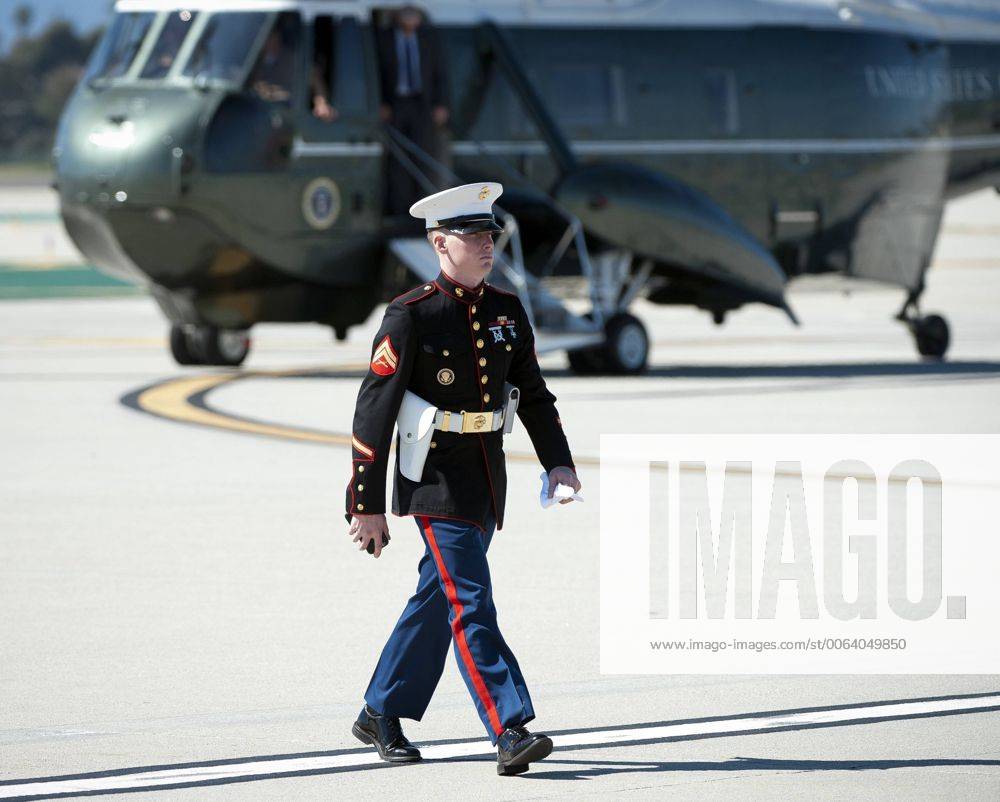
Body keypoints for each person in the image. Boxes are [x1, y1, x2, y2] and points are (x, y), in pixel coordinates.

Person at [344, 182, 581, 775]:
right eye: (473, 237)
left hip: (485, 478)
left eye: (490, 235)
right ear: (439, 242)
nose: (486, 246)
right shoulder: (411, 315)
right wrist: (365, 503)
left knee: (438, 598)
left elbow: (533, 395)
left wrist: (559, 461)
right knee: (471, 602)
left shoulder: (506, 309)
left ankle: (380, 710)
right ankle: (508, 726)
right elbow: (372, 411)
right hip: (434, 478)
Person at [376, 5, 450, 214]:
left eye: (414, 14)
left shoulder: (429, 39)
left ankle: (424, 212)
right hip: (396, 104)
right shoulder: (384, 38)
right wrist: (381, 103)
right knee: (399, 160)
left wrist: (441, 104)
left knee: (424, 157)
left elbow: (440, 74)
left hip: (422, 105)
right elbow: (378, 71)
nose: (411, 18)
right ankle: (400, 211)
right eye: (406, 13)